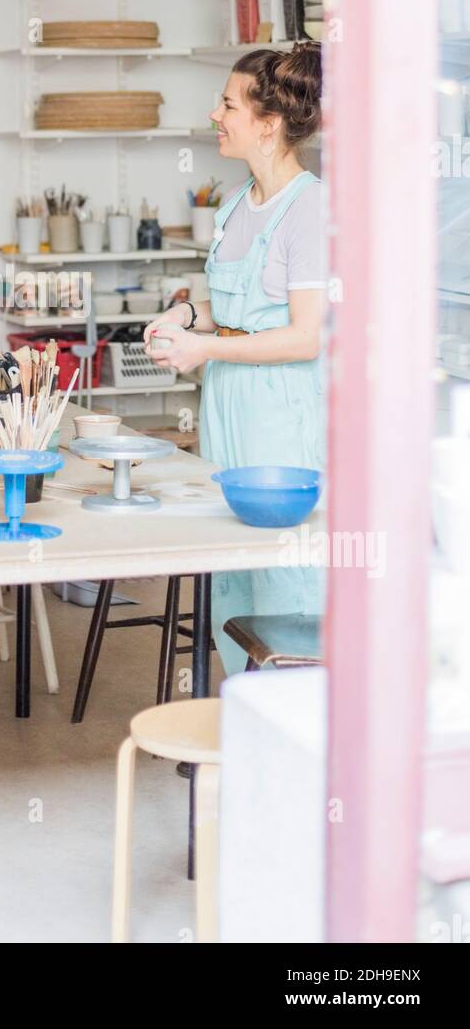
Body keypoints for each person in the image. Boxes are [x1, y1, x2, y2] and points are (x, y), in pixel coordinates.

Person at [145, 42, 326, 675]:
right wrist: (185, 318)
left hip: (281, 420)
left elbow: (306, 336)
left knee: (285, 582)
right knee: (231, 576)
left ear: (269, 123)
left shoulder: (311, 210)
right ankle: (248, 719)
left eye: (227, 103)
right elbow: (226, 301)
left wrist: (205, 347)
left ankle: (298, 731)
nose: (214, 114)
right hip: (225, 412)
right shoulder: (233, 204)